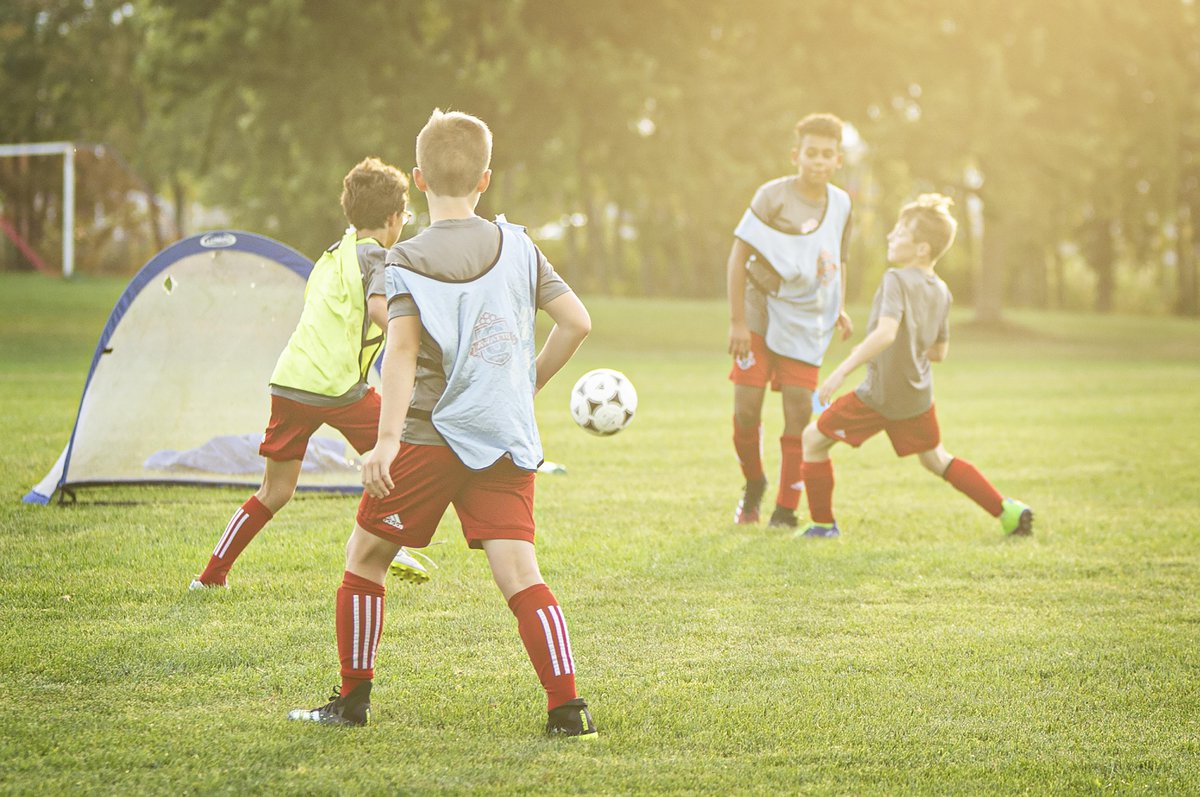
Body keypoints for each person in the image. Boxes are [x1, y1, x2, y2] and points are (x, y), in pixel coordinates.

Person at [287, 109, 597, 738]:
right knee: (520, 573)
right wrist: (526, 382)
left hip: (427, 437)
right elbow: (577, 323)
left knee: (367, 557)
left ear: (419, 178)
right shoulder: (520, 246)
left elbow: (400, 353)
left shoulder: (402, 258)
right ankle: (568, 709)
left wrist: (387, 442)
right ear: (486, 178)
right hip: (503, 438)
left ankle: (352, 702)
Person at [190, 157, 431, 590]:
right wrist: (421, 344)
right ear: (394, 218)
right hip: (337, 388)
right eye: (405, 216)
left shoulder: (333, 254)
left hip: (290, 382)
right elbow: (379, 311)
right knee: (405, 446)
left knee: (274, 492)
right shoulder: (379, 257)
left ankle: (210, 576)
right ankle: (383, 538)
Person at [797, 194, 1034, 539]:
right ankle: (1008, 511)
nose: (891, 236)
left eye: (899, 232)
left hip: (878, 395)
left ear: (922, 248)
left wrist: (841, 370)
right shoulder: (941, 290)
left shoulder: (896, 279)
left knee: (813, 439)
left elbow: (886, 333)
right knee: (936, 459)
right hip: (917, 396)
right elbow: (939, 352)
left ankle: (822, 525)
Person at [727, 112, 854, 530]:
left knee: (799, 412)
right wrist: (738, 322)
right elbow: (737, 257)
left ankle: (785, 508)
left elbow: (838, 260)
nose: (818, 161)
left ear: (838, 160)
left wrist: (838, 307)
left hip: (806, 321)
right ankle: (754, 483)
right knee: (746, 410)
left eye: (827, 154)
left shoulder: (842, 204)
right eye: (811, 153)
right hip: (760, 309)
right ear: (795, 155)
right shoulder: (772, 197)